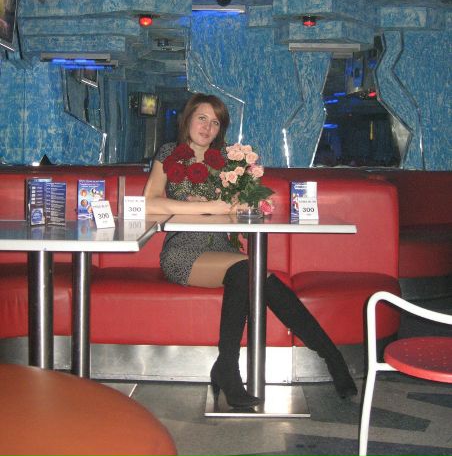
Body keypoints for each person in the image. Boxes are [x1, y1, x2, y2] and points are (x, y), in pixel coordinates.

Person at [144, 93, 357, 408]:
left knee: (254, 274)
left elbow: (239, 205)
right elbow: (149, 203)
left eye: (215, 123)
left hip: (223, 248)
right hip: (183, 253)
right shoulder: (170, 153)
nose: (207, 127)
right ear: (188, 119)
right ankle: (323, 361)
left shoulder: (227, 160)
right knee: (249, 271)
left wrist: (238, 204)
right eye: (202, 118)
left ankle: (326, 357)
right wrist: (209, 207)